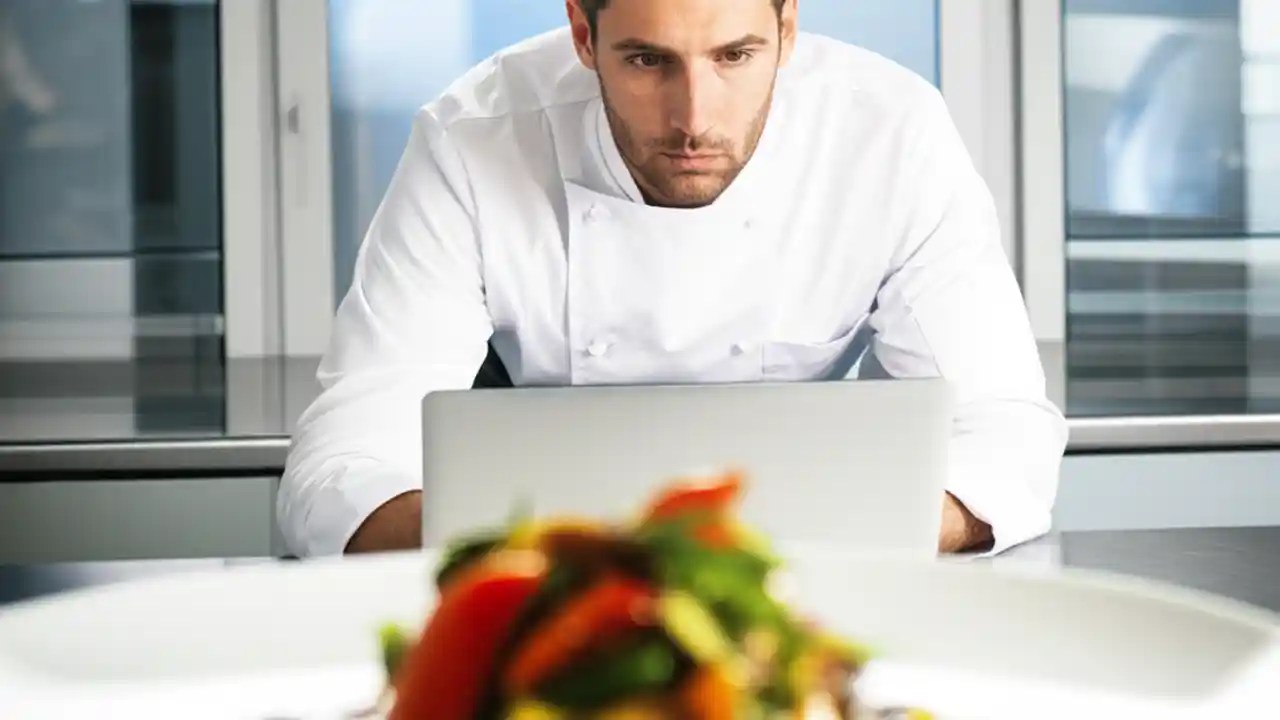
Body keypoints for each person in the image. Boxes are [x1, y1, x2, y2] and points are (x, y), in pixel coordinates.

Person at [279, 0, 1067, 558]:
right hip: (547, 588)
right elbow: (342, 469)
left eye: (735, 56)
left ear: (787, 29)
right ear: (583, 35)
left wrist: (826, 539)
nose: (694, 117)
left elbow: (1003, 432)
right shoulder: (472, 143)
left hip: (812, 578)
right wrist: (560, 566)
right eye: (648, 59)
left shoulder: (890, 135)